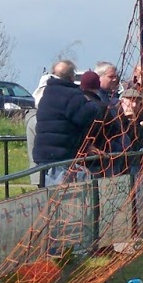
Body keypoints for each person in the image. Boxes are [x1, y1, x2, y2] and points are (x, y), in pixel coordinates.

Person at [31, 59, 102, 187]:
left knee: (49, 193)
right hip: (62, 155)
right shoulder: (72, 95)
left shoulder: (46, 94)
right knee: (67, 195)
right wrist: (94, 103)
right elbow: (84, 116)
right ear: (71, 76)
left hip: (43, 155)